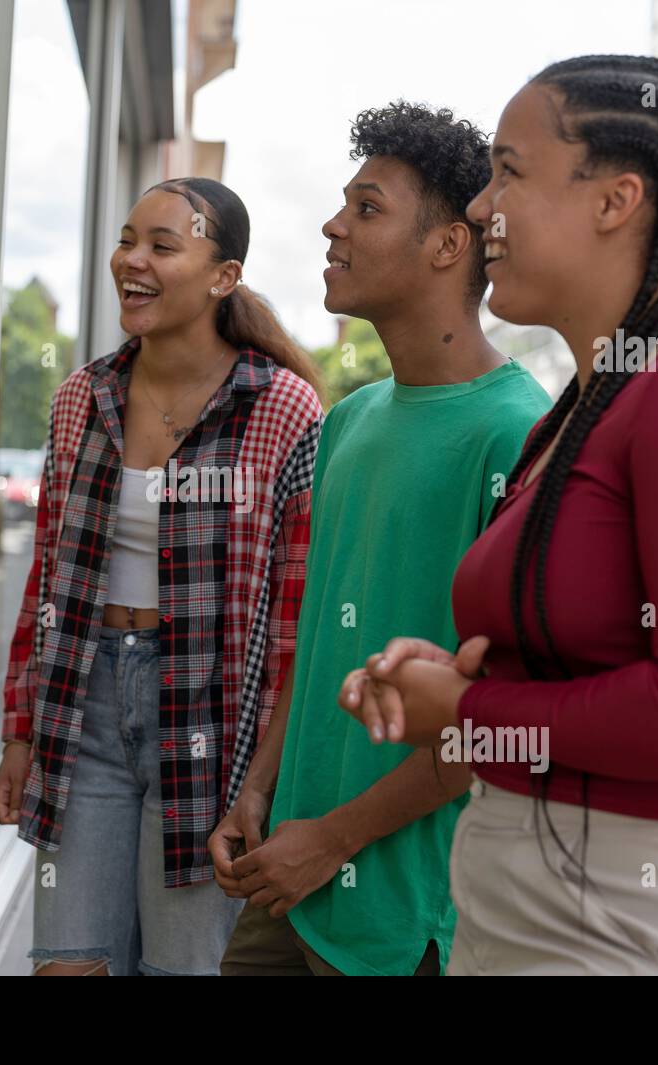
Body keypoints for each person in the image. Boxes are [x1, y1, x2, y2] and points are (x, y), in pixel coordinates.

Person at [341, 55, 658, 975]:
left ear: (615, 201)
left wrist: (468, 712)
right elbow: (589, 658)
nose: (483, 206)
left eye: (510, 171)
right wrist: (450, 675)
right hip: (554, 915)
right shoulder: (587, 401)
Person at [213, 103, 551, 976]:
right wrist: (258, 788)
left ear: (448, 246)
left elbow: (499, 718)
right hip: (287, 874)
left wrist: (333, 838)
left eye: (366, 208)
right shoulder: (347, 422)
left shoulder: (518, 435)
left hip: (405, 917)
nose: (334, 226)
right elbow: (317, 638)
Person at [0, 177, 324, 976]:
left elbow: (296, 626)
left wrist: (261, 783)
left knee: (181, 967)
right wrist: (19, 730)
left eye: (162, 246)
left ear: (223, 276)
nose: (132, 260)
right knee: (66, 962)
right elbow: (47, 579)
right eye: (127, 239)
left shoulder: (284, 409)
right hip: (83, 709)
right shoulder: (83, 397)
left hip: (208, 726)